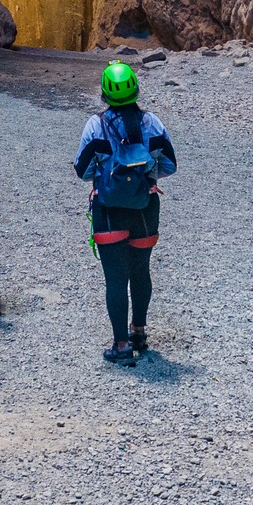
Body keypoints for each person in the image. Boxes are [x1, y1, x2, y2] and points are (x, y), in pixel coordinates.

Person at [73, 60, 176, 365]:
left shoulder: (96, 125)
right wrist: (148, 177)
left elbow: (82, 170)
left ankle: (120, 345)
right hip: (145, 210)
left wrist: (104, 178)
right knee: (140, 272)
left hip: (108, 212)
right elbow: (169, 164)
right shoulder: (152, 123)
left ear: (104, 93)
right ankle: (139, 332)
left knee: (115, 279)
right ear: (136, 89)